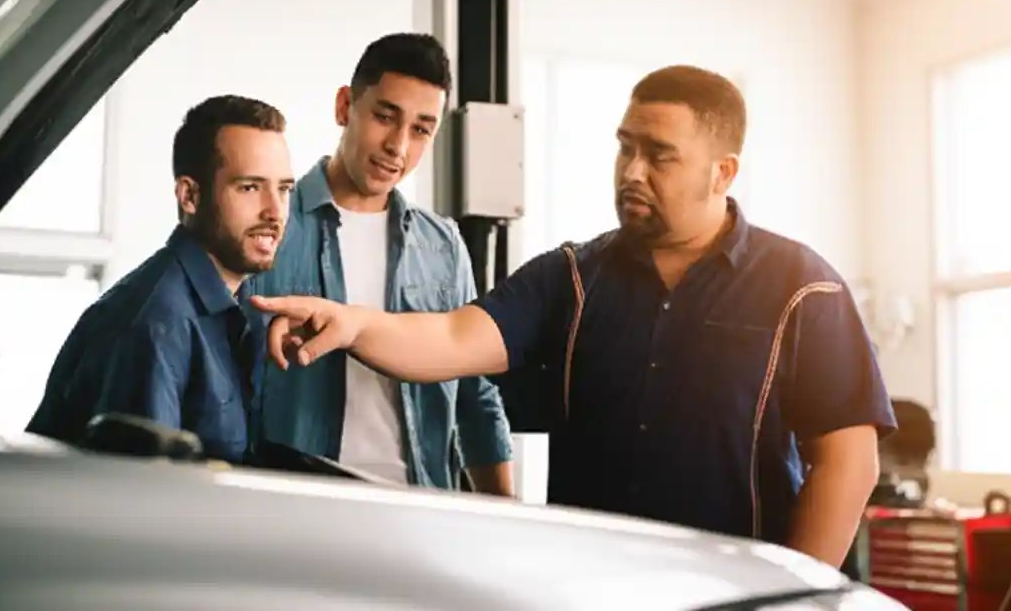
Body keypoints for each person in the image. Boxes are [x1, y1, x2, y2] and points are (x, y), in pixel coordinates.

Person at [252, 65, 896, 567]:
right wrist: (356, 324)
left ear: (722, 172)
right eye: (625, 148)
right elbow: (454, 336)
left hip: (732, 591)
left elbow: (848, 462)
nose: (632, 171)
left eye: (660, 155)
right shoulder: (573, 278)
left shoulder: (801, 290)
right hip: (593, 586)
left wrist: (792, 599)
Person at [242, 33, 514, 494]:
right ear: (345, 107)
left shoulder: (442, 245)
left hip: (422, 508)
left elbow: (476, 399)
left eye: (421, 129)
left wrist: (506, 522)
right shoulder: (271, 227)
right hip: (297, 512)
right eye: (385, 117)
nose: (398, 146)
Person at [27, 95, 294, 463]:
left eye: (284, 189)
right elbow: (142, 503)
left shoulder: (240, 306)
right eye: (249, 187)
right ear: (190, 196)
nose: (275, 211)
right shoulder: (156, 324)